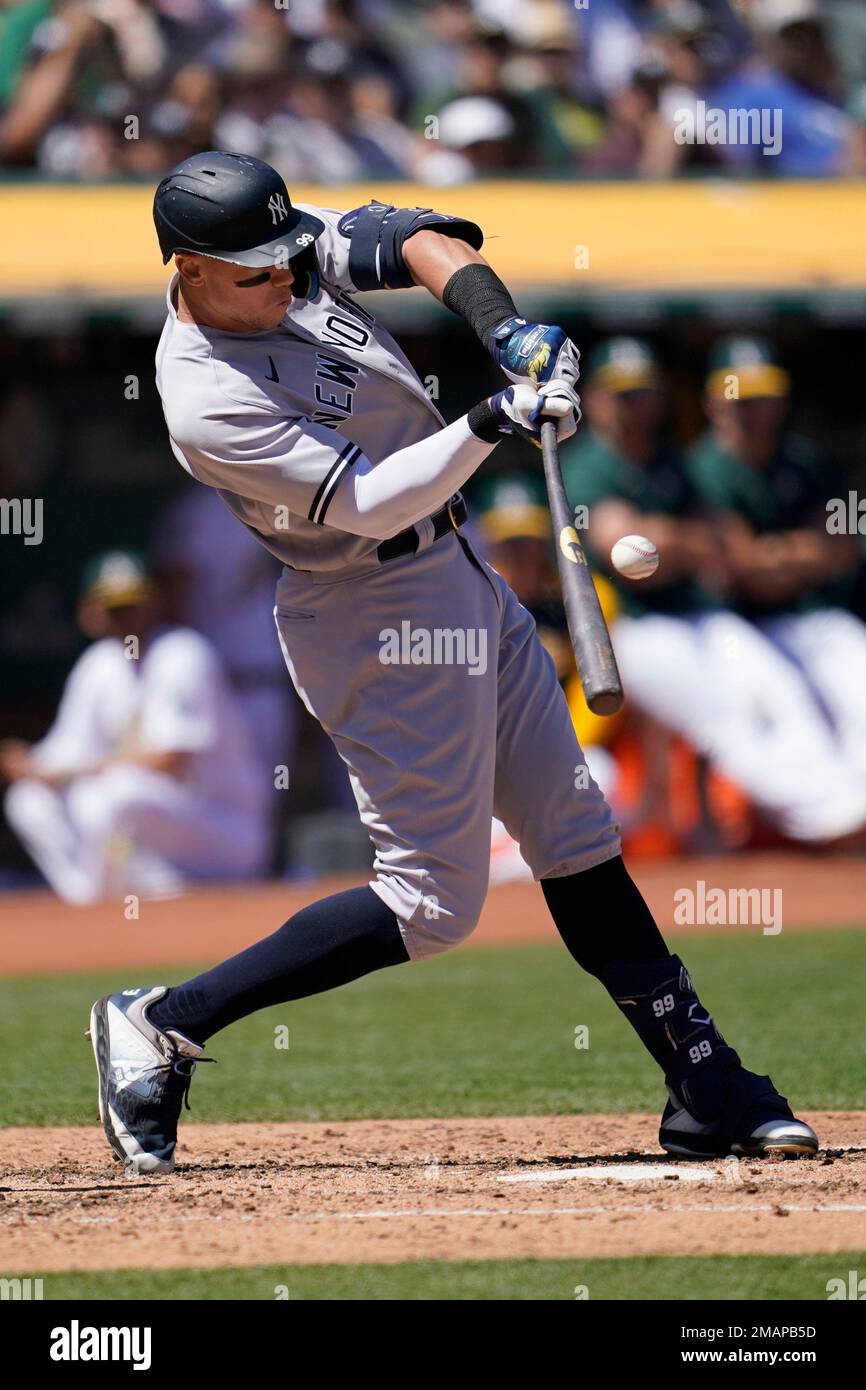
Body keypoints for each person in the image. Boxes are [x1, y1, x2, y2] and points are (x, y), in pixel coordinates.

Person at [88, 151, 816, 1176]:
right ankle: (162, 1020)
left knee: (574, 835)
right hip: (368, 605)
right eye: (254, 272)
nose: (285, 279)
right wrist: (492, 416)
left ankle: (707, 1083)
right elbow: (372, 501)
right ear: (188, 269)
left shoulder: (282, 250)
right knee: (432, 902)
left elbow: (428, 240)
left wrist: (505, 332)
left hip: (459, 568)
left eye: (285, 256)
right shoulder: (202, 396)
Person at [562, 336, 866, 845]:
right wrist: (694, 544)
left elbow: (723, 547)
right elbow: (630, 553)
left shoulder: (668, 462)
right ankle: (827, 819)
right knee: (731, 712)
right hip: (627, 631)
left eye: (643, 393)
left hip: (697, 619)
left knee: (778, 689)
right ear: (593, 399)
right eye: (621, 394)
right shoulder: (589, 463)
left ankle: (842, 809)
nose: (634, 406)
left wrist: (676, 540)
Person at [2, 550, 269, 904]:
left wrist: (71, 771)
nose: (123, 619)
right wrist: (27, 762)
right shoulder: (98, 665)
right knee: (28, 801)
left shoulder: (183, 653)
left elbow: (170, 759)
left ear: (153, 604)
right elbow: (65, 751)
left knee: (114, 794)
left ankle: (109, 896)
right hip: (148, 833)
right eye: (112, 608)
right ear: (89, 614)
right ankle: (86, 899)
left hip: (224, 829)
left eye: (131, 606)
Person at [687, 335, 866, 783]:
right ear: (715, 402)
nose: (754, 409)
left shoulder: (803, 461)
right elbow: (748, 571)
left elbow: (844, 548)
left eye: (763, 397)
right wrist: (805, 552)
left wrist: (779, 554)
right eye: (741, 396)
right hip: (732, 626)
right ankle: (828, 819)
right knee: (788, 710)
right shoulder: (700, 467)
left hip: (810, 617)